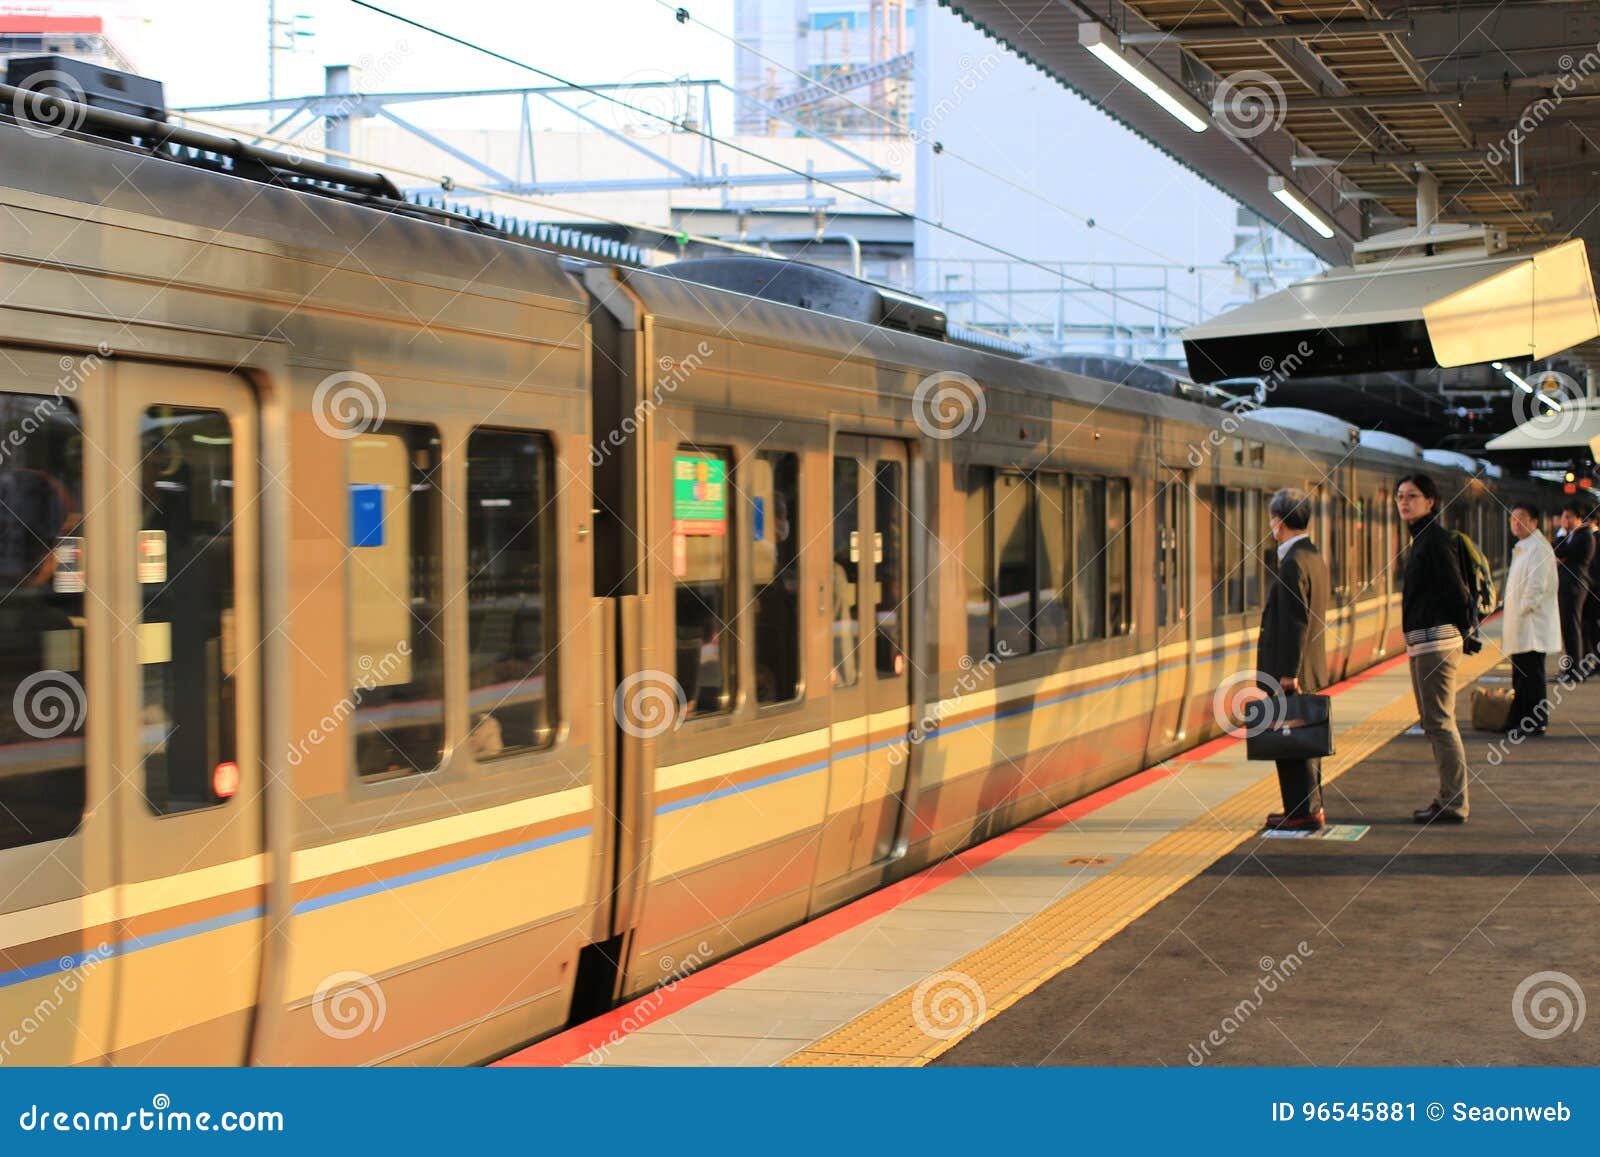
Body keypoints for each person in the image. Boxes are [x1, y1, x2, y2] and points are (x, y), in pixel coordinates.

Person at [1395, 474, 1476, 825]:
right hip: (1425, 643)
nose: (1403, 502)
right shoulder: (1422, 539)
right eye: (1399, 496)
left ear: (1431, 502)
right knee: (1434, 723)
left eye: (1412, 496)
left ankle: (1454, 802)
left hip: (1435, 643)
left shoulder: (1434, 541)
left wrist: (1461, 631)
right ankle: (1449, 797)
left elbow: (1456, 591)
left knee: (1440, 724)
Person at [1256, 488, 1330, 831]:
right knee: (1306, 739)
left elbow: (1296, 621)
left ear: (1278, 521)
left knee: (1291, 739)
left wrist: (1287, 672)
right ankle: (1309, 806)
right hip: (1311, 666)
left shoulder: (1293, 562)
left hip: (1293, 670)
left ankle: (1301, 811)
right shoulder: (1313, 557)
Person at [1502, 502, 1561, 737]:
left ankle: (1534, 721)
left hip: (1532, 625)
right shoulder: (1525, 546)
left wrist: (1523, 609)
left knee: (1531, 677)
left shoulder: (1538, 548)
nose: (1516, 523)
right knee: (1521, 675)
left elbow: (1537, 586)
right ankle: (1519, 718)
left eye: (1522, 518)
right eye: (1513, 519)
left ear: (1534, 522)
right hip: (1523, 624)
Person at [1552, 501, 1595, 679]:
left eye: (1568, 517)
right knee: (1569, 628)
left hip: (1574, 586)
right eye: (1563, 516)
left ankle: (1574, 670)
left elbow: (1560, 551)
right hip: (1570, 586)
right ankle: (1571, 669)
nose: (1564, 520)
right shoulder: (1575, 534)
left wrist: (1561, 536)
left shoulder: (1583, 536)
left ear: (1579, 518)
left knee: (1571, 628)